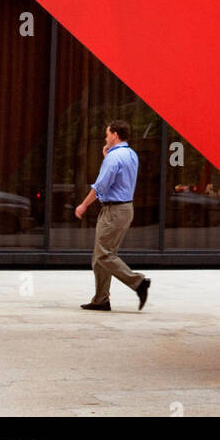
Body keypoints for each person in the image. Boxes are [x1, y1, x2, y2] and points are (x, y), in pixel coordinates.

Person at [75, 121, 150, 312]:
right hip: (125, 209)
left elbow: (101, 186)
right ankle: (101, 299)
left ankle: (138, 282)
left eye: (108, 134)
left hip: (113, 211)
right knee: (100, 255)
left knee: (103, 255)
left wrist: (83, 205)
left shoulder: (114, 158)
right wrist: (106, 156)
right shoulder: (131, 154)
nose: (106, 137)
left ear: (115, 135)